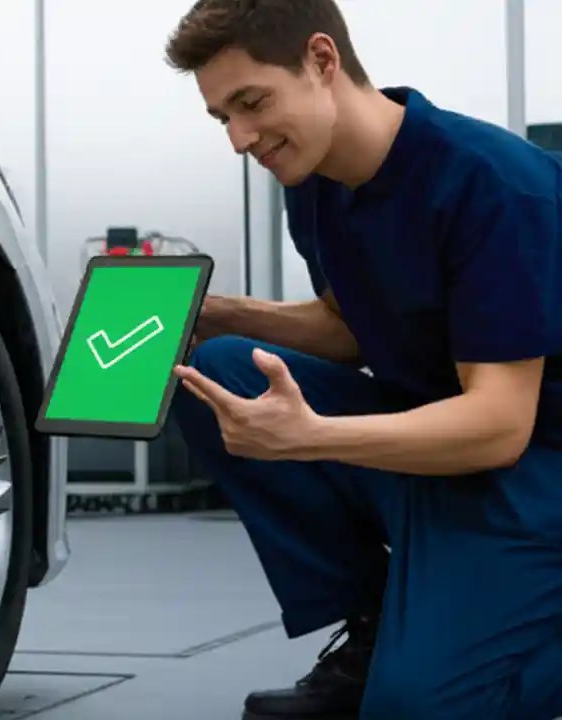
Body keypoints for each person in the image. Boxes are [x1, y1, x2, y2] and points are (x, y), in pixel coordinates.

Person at [161, 1, 562, 718]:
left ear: (322, 60)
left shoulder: (491, 185)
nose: (241, 140)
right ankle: (378, 623)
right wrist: (217, 309)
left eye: (251, 104)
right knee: (219, 369)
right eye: (223, 117)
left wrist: (311, 436)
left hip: (532, 473)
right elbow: (352, 328)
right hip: (429, 443)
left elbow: (501, 425)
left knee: (413, 709)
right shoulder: (314, 181)